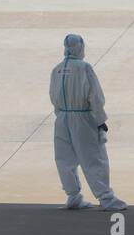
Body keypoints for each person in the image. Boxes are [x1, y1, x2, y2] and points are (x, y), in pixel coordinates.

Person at [49, 34, 127, 211]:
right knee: (93, 157)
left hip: (62, 119)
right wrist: (100, 120)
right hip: (83, 118)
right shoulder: (84, 68)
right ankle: (106, 198)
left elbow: (53, 96)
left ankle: (73, 196)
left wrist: (61, 114)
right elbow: (96, 97)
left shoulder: (57, 69)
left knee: (65, 159)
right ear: (80, 47)